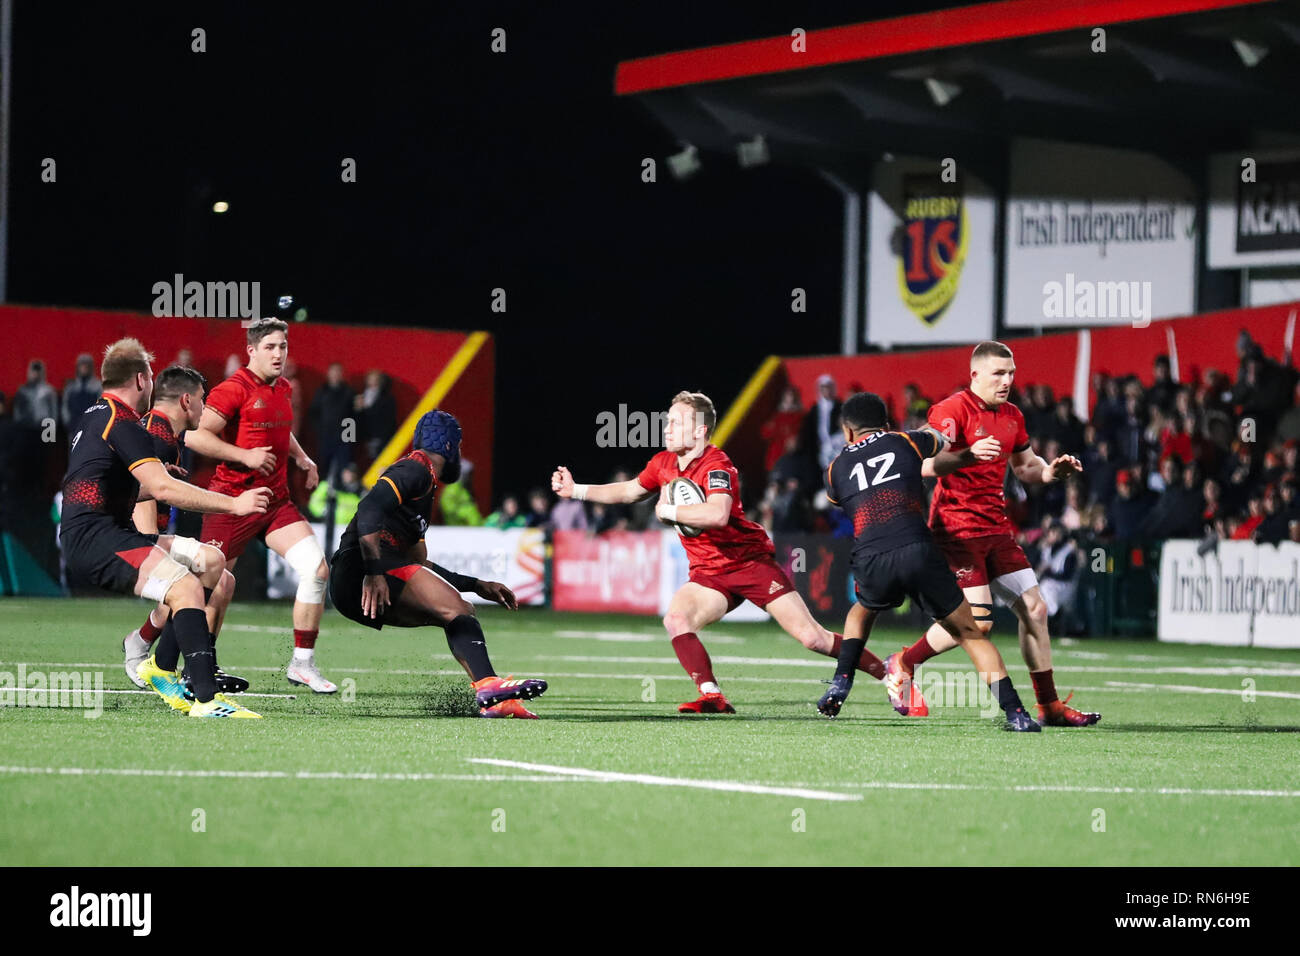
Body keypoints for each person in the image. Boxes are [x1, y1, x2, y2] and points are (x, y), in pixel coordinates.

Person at [552, 390, 897, 715]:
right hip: (708, 573)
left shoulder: (718, 465)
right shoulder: (663, 463)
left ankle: (890, 674)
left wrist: (668, 512)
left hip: (750, 563)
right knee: (676, 619)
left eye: (676, 422)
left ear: (700, 430)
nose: (667, 428)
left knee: (813, 638)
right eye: (667, 421)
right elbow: (629, 491)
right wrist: (576, 490)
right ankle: (712, 695)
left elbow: (717, 514)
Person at [894, 341, 1100, 727]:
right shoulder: (951, 411)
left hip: (996, 529)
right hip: (955, 531)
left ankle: (1050, 706)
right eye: (998, 374)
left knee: (1036, 610)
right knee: (980, 621)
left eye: (1011, 373)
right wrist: (968, 454)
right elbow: (923, 465)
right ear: (975, 375)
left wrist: (1051, 472)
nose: (1007, 381)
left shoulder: (1012, 416)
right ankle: (904, 662)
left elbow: (1025, 467)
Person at [61, 339, 270, 717]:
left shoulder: (96, 414)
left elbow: (107, 483)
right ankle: (205, 700)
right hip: (97, 539)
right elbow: (162, 490)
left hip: (100, 532)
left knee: (210, 560)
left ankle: (159, 667)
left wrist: (144, 484)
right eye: (151, 378)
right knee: (185, 584)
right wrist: (234, 503)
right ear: (142, 380)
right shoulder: (124, 423)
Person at [815, 392, 1038, 730]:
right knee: (971, 632)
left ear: (847, 432)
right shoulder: (904, 440)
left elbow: (840, 500)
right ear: (887, 423)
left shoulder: (835, 469)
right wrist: (967, 451)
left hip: (872, 555)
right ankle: (1016, 713)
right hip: (918, 549)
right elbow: (940, 437)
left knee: (863, 610)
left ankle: (840, 682)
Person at [328, 410, 547, 717]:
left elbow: (418, 564)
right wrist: (373, 572)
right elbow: (368, 509)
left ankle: (494, 699)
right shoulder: (416, 468)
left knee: (458, 612)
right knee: (455, 608)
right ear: (447, 446)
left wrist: (476, 585)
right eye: (458, 447)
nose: (459, 454)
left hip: (356, 586)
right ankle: (490, 687)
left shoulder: (424, 487)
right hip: (358, 571)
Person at [186, 318, 336, 692]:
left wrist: (302, 459)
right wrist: (245, 456)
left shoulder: (283, 387)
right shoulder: (232, 388)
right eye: (270, 347)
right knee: (215, 586)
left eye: (282, 346)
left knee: (317, 570)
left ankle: (302, 663)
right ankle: (193, 666)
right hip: (232, 501)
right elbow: (195, 436)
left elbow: (279, 429)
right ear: (251, 350)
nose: (278, 353)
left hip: (274, 502)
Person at [122, 365, 249, 695]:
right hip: (128, 537)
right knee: (209, 581)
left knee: (223, 579)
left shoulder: (168, 436)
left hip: (141, 533)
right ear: (187, 401)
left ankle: (194, 663)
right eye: (203, 400)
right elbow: (140, 490)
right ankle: (166, 658)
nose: (206, 408)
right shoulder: (155, 435)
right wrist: (149, 542)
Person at [309, 361, 355, 480]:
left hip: (344, 437)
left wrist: (350, 436)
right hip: (325, 436)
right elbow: (314, 413)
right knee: (324, 467)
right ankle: (323, 496)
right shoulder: (321, 392)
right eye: (333, 371)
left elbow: (353, 416)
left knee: (344, 468)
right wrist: (320, 430)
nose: (335, 374)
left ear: (342, 374)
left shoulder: (348, 392)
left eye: (338, 372)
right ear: (328, 374)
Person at [355, 369, 397, 461]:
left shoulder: (387, 398)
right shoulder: (362, 396)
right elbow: (357, 417)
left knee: (380, 462)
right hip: (366, 436)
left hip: (381, 437)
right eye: (371, 379)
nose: (373, 382)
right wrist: (358, 408)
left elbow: (389, 419)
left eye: (376, 379)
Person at [309, 462, 363, 527]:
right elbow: (315, 502)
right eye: (347, 472)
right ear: (342, 473)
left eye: (352, 473)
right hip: (330, 525)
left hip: (351, 528)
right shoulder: (329, 486)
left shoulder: (361, 490)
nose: (349, 475)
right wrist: (325, 511)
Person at [61, 354, 103, 431]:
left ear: (91, 367)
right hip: (74, 425)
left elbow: (101, 406)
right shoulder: (71, 386)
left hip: (92, 427)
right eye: (82, 365)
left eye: (87, 365)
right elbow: (65, 405)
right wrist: (67, 420)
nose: (84, 368)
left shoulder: (98, 386)